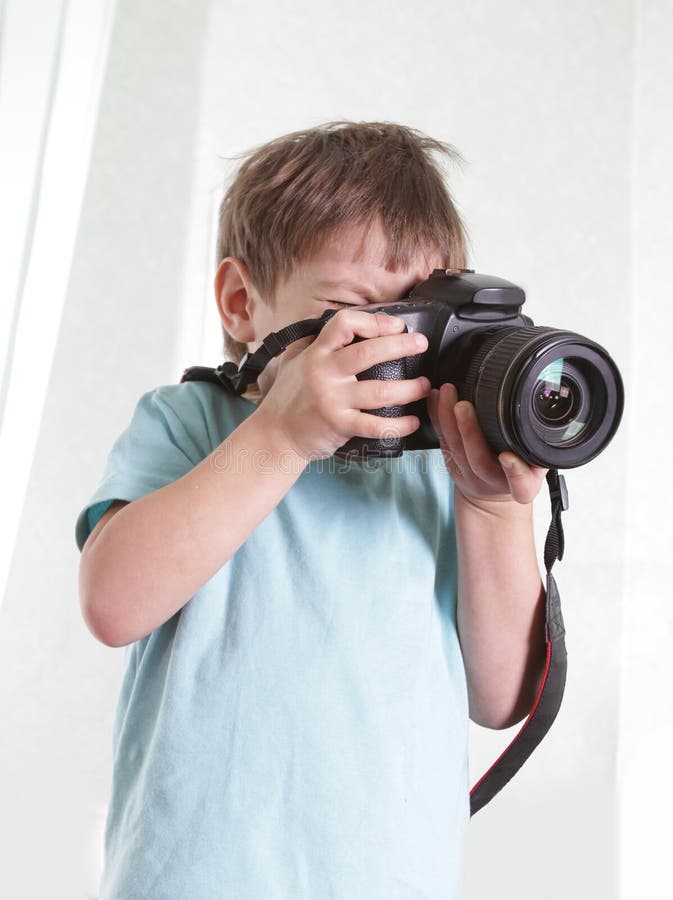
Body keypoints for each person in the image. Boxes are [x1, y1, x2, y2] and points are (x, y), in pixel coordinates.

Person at [76, 121, 548, 900]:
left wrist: (493, 508)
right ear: (240, 301)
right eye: (356, 316)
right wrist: (281, 436)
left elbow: (500, 698)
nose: (392, 345)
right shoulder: (191, 423)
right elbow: (112, 604)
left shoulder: (439, 469)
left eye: (418, 317)